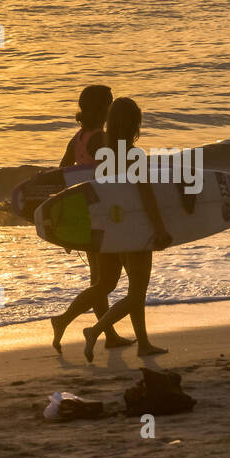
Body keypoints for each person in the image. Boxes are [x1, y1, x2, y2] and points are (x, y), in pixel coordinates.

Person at [81, 98, 171, 361]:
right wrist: (160, 229)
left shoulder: (103, 156)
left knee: (127, 290)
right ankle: (95, 331)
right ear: (135, 124)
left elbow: (100, 194)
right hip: (136, 230)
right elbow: (146, 196)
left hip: (113, 230)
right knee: (136, 293)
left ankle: (143, 343)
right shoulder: (134, 155)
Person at [51, 87, 134, 353]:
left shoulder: (77, 139)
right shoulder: (101, 139)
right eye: (109, 105)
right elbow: (114, 175)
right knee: (106, 282)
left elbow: (61, 176)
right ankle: (64, 319)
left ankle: (108, 334)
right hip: (104, 214)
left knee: (98, 281)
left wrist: (64, 220)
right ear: (101, 110)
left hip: (86, 215)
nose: (112, 110)